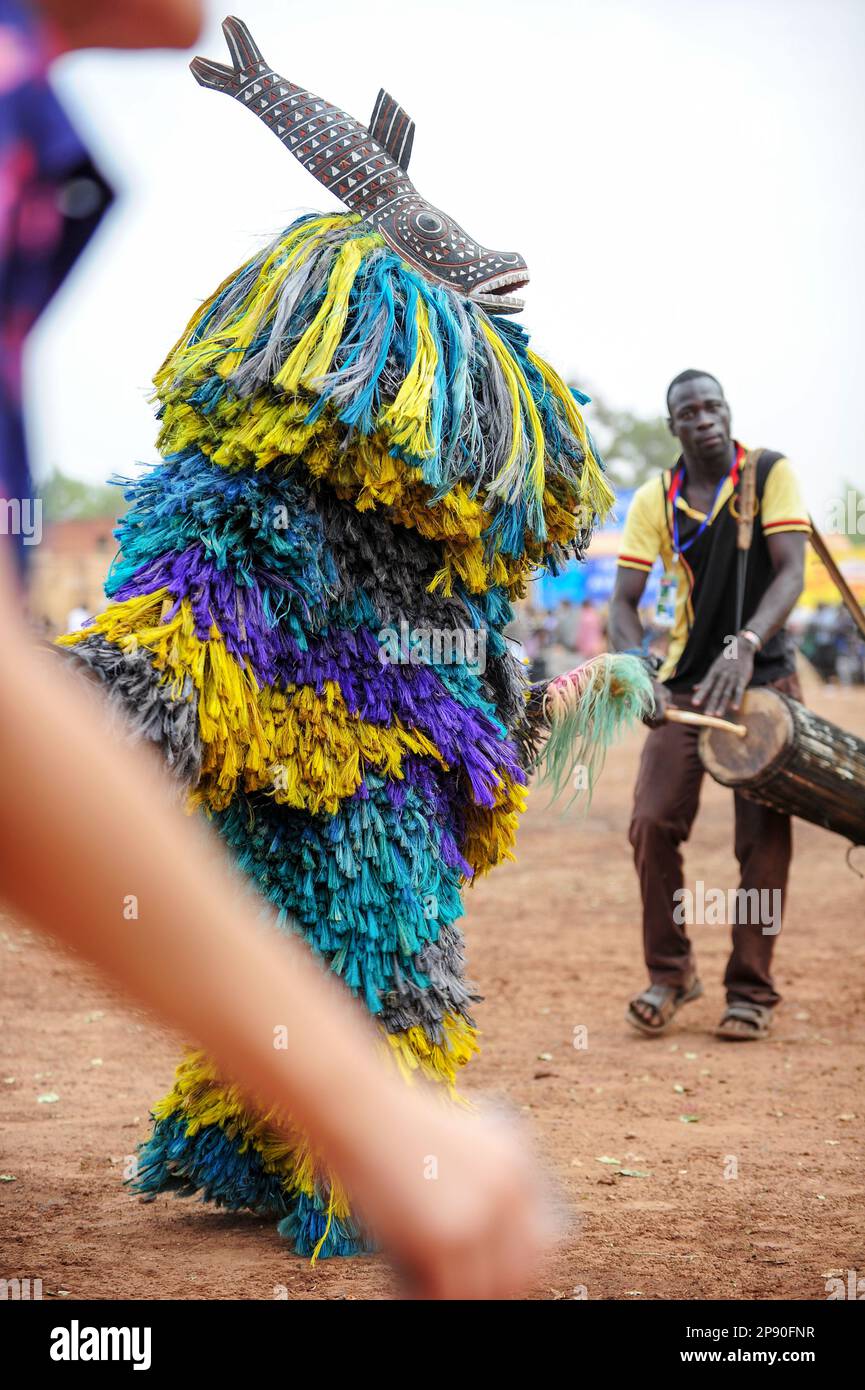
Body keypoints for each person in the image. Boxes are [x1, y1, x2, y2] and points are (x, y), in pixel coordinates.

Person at [0, 0, 547, 1300]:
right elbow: (178, 630)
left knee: (362, 940)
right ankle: (319, 1143)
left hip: (383, 793)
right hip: (295, 779)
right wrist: (115, 696)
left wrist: (494, 715)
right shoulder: (240, 502)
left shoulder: (446, 532)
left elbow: (468, 659)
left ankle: (303, 1136)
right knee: (349, 944)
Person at [609, 369, 810, 1041]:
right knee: (651, 820)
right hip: (687, 679)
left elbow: (791, 570)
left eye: (712, 406)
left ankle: (749, 990)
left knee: (761, 841)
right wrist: (639, 667)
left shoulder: (768, 473)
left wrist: (748, 642)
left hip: (765, 679)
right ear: (673, 426)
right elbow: (621, 603)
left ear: (727, 412)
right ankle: (670, 975)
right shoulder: (655, 499)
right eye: (688, 411)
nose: (703, 418)